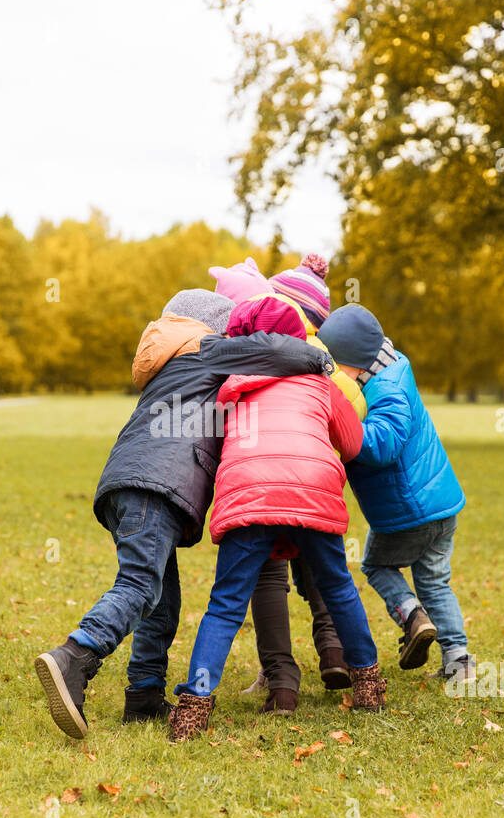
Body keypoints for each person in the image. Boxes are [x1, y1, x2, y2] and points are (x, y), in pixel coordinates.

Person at [33, 289, 335, 739]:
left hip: (126, 485)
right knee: (139, 585)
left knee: (162, 600)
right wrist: (317, 359)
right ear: (209, 324)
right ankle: (76, 655)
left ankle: (144, 695)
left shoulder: (168, 362)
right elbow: (271, 348)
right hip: (157, 485)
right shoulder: (205, 348)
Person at [168, 296, 384, 743]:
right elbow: (353, 441)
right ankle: (367, 685)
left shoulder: (230, 387)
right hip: (311, 488)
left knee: (225, 603)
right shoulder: (320, 384)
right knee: (338, 587)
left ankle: (193, 709)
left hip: (250, 493)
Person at [315, 304, 473, 680]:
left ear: (357, 362)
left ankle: (411, 615)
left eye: (339, 369)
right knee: (434, 580)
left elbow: (384, 444)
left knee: (376, 565)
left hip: (408, 509)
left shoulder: (385, 389)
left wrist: (342, 432)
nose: (337, 378)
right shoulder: (392, 368)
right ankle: (459, 661)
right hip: (439, 504)